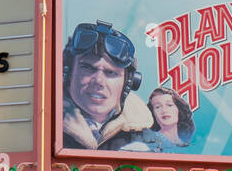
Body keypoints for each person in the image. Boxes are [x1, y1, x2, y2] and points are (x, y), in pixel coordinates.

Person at [62, 20, 165, 151]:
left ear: (128, 83)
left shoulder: (150, 143)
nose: (98, 81)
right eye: (88, 68)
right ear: (68, 71)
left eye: (110, 73)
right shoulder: (44, 127)